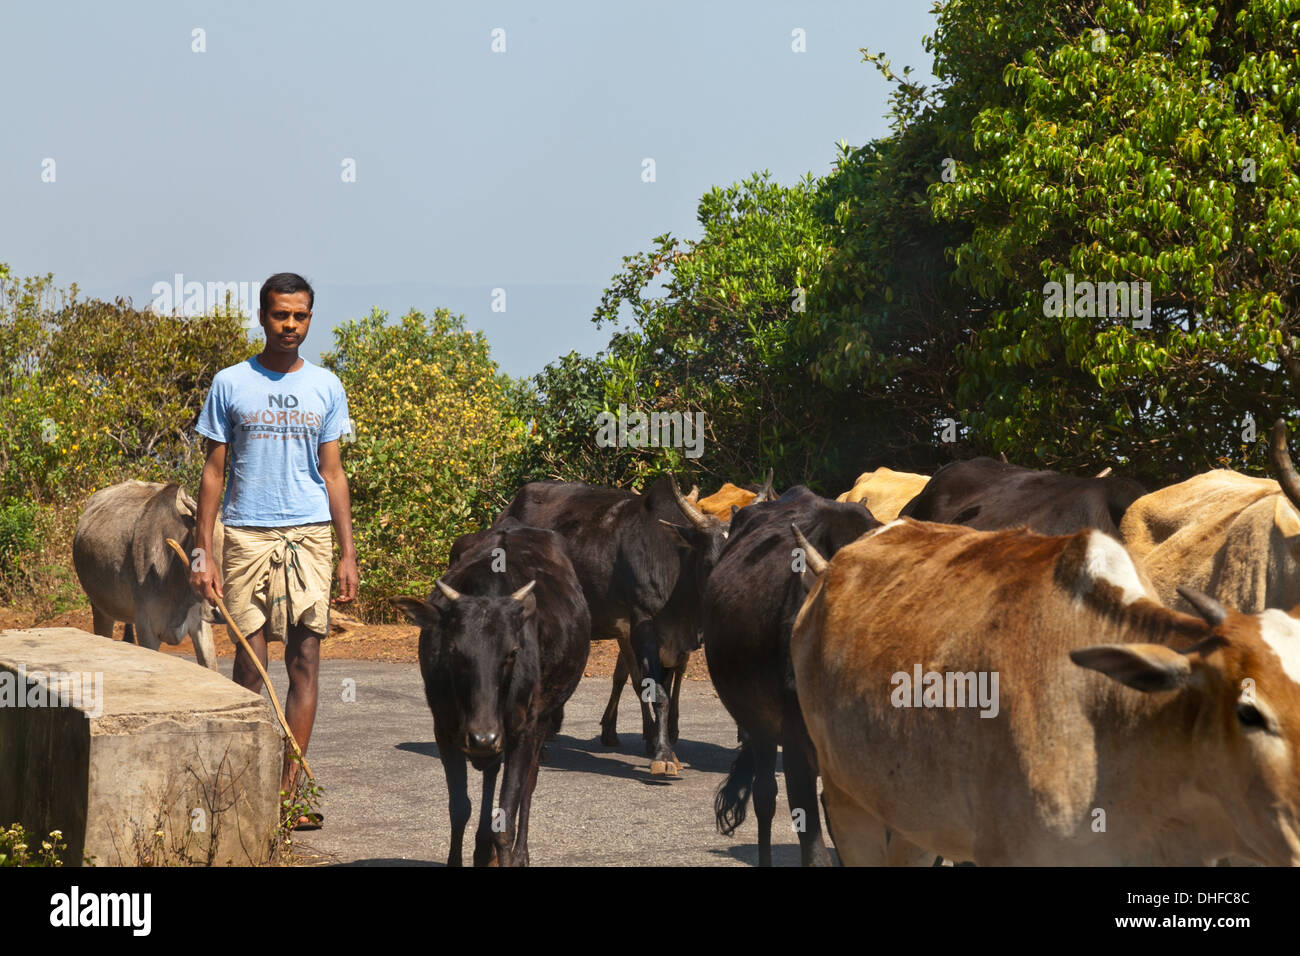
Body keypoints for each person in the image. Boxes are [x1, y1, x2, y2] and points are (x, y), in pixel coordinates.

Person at [191, 272, 358, 828]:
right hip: (246, 536)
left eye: (300, 316)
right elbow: (213, 472)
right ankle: (244, 786)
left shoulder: (326, 387)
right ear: (262, 317)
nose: (290, 325)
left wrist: (347, 554)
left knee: (305, 660)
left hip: (310, 535)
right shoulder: (231, 383)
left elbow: (333, 474)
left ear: (311, 318)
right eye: (281, 315)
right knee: (250, 663)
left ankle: (290, 793)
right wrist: (203, 550)